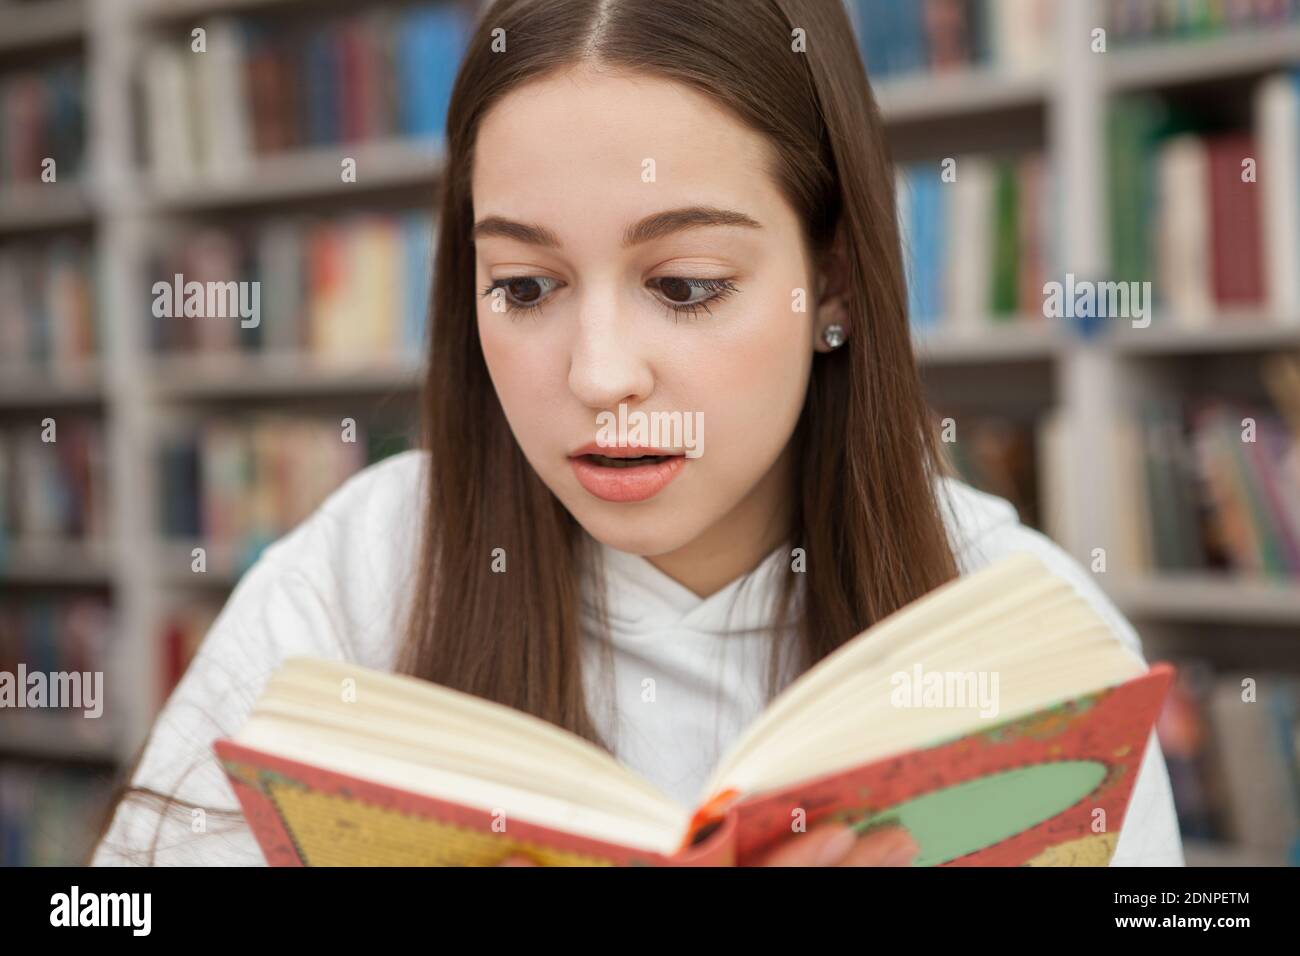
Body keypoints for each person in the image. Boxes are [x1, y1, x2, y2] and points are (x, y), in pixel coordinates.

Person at [91, 0, 1183, 867]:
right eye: (523, 285)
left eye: (686, 284)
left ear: (833, 279)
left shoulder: (1019, 632)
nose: (599, 372)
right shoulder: (353, 580)